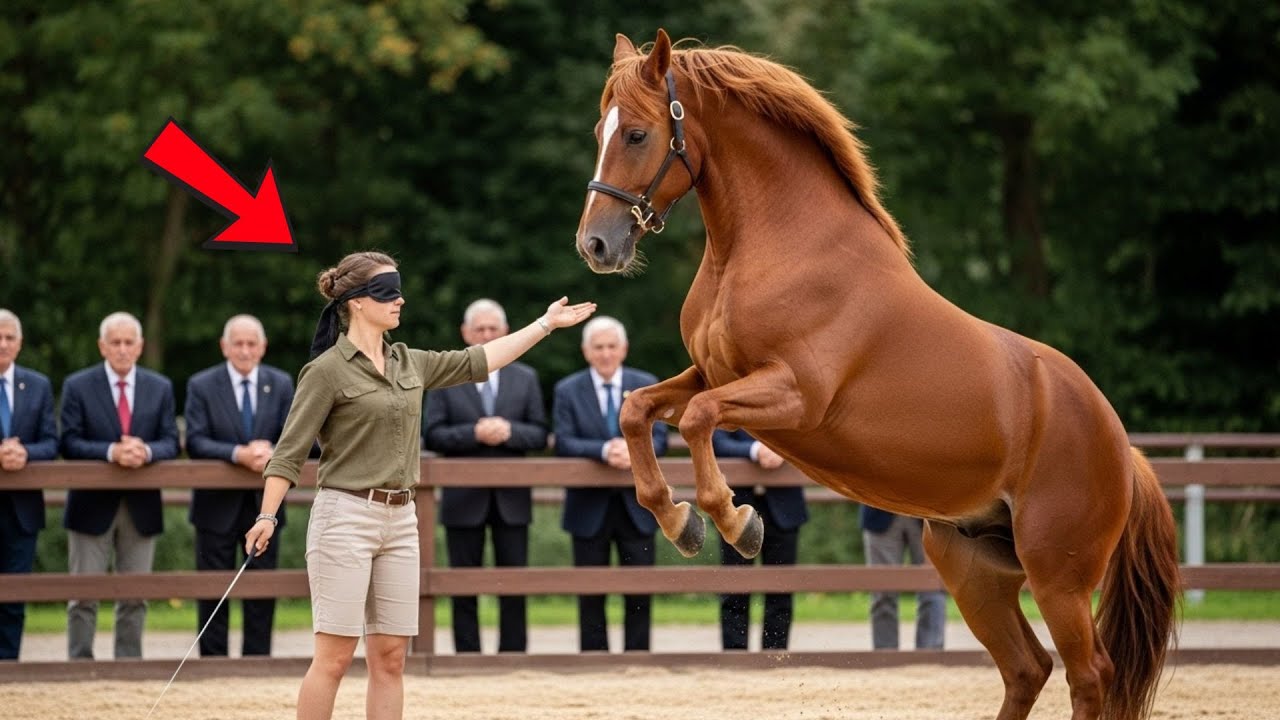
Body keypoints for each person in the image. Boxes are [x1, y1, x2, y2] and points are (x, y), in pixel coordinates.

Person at [243, 250, 594, 720]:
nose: (400, 300)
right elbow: (288, 453)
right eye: (387, 291)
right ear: (357, 302)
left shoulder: (411, 362)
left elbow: (482, 360)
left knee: (390, 657)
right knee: (335, 657)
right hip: (344, 519)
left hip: (400, 522)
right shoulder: (325, 371)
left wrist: (545, 324)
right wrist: (267, 514)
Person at [423, 298, 548, 654]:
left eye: (493, 328)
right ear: (465, 333)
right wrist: (473, 433)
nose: (487, 334)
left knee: (514, 583)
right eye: (480, 329)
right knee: (463, 585)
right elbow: (432, 434)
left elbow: (540, 434)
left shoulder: (526, 378)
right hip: (463, 499)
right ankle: (467, 655)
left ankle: (513, 655)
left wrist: (509, 431)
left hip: (512, 499)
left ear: (505, 332)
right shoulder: (445, 377)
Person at [60, 311, 180, 659]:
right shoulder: (77, 386)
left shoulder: (160, 387)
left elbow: (172, 441)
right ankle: (78, 664)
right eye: (116, 342)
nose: (123, 349)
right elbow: (68, 442)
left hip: (141, 507)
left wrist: (145, 450)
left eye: (129, 342)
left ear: (140, 347)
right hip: (89, 506)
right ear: (102, 346)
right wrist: (111, 451)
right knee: (83, 595)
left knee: (135, 594)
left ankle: (129, 666)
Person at [552, 316, 667, 653]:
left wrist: (632, 451)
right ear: (586, 352)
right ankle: (593, 659)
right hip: (588, 507)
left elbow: (658, 439)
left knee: (639, 590)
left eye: (611, 347)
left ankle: (638, 657)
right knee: (590, 590)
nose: (605, 354)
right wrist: (604, 450)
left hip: (639, 505)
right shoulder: (567, 390)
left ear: (624, 349)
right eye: (598, 347)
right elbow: (563, 441)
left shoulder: (645, 386)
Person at [184, 314, 295, 657]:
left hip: (265, 507)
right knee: (213, 589)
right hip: (214, 506)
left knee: (260, 591)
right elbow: (195, 441)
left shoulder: (281, 384)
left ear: (262, 348)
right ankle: (213, 664)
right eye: (238, 343)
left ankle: (257, 661)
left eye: (251, 344)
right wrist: (238, 454)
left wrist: (272, 452)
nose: (244, 351)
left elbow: (296, 436)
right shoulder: (201, 385)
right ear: (224, 346)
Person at [712, 428, 808, 651]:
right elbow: (716, 442)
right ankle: (735, 657)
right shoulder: (725, 395)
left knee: (780, 591)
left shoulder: (790, 396)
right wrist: (754, 450)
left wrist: (782, 451)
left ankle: (774, 657)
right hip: (736, 508)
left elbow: (806, 435)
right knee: (734, 590)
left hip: (784, 507)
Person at [0, 309, 59, 661]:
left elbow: (52, 443)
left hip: (22, 511)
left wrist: (25, 453)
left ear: (19, 344)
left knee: (14, 597)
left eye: (9, 337)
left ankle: (8, 667)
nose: (2, 344)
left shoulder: (37, 385)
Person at [860, 506, 946, 650]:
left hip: (930, 512)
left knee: (933, 592)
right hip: (879, 509)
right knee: (882, 593)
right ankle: (885, 658)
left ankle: (931, 658)